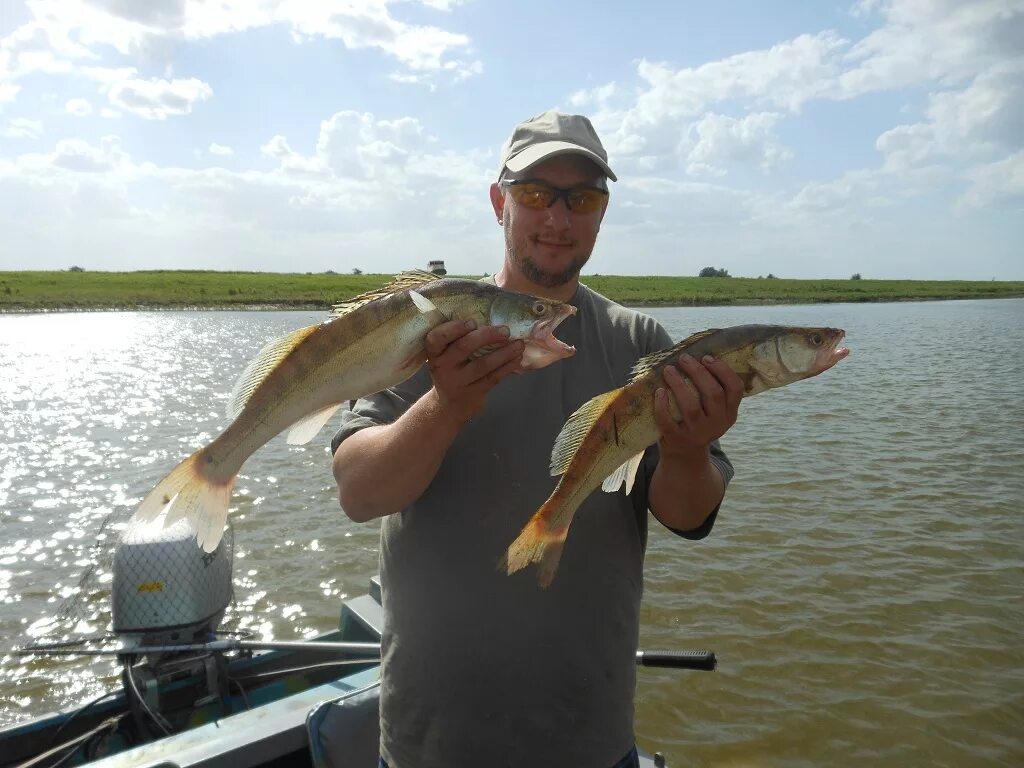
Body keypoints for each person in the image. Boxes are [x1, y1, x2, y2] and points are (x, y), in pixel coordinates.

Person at [331, 110, 742, 768]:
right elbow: (359, 491)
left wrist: (691, 447)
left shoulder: (641, 345)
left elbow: (690, 518)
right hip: (432, 744)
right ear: (499, 202)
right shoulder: (428, 330)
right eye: (534, 194)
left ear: (602, 212)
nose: (557, 218)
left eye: (581, 198)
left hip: (590, 742)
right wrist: (446, 404)